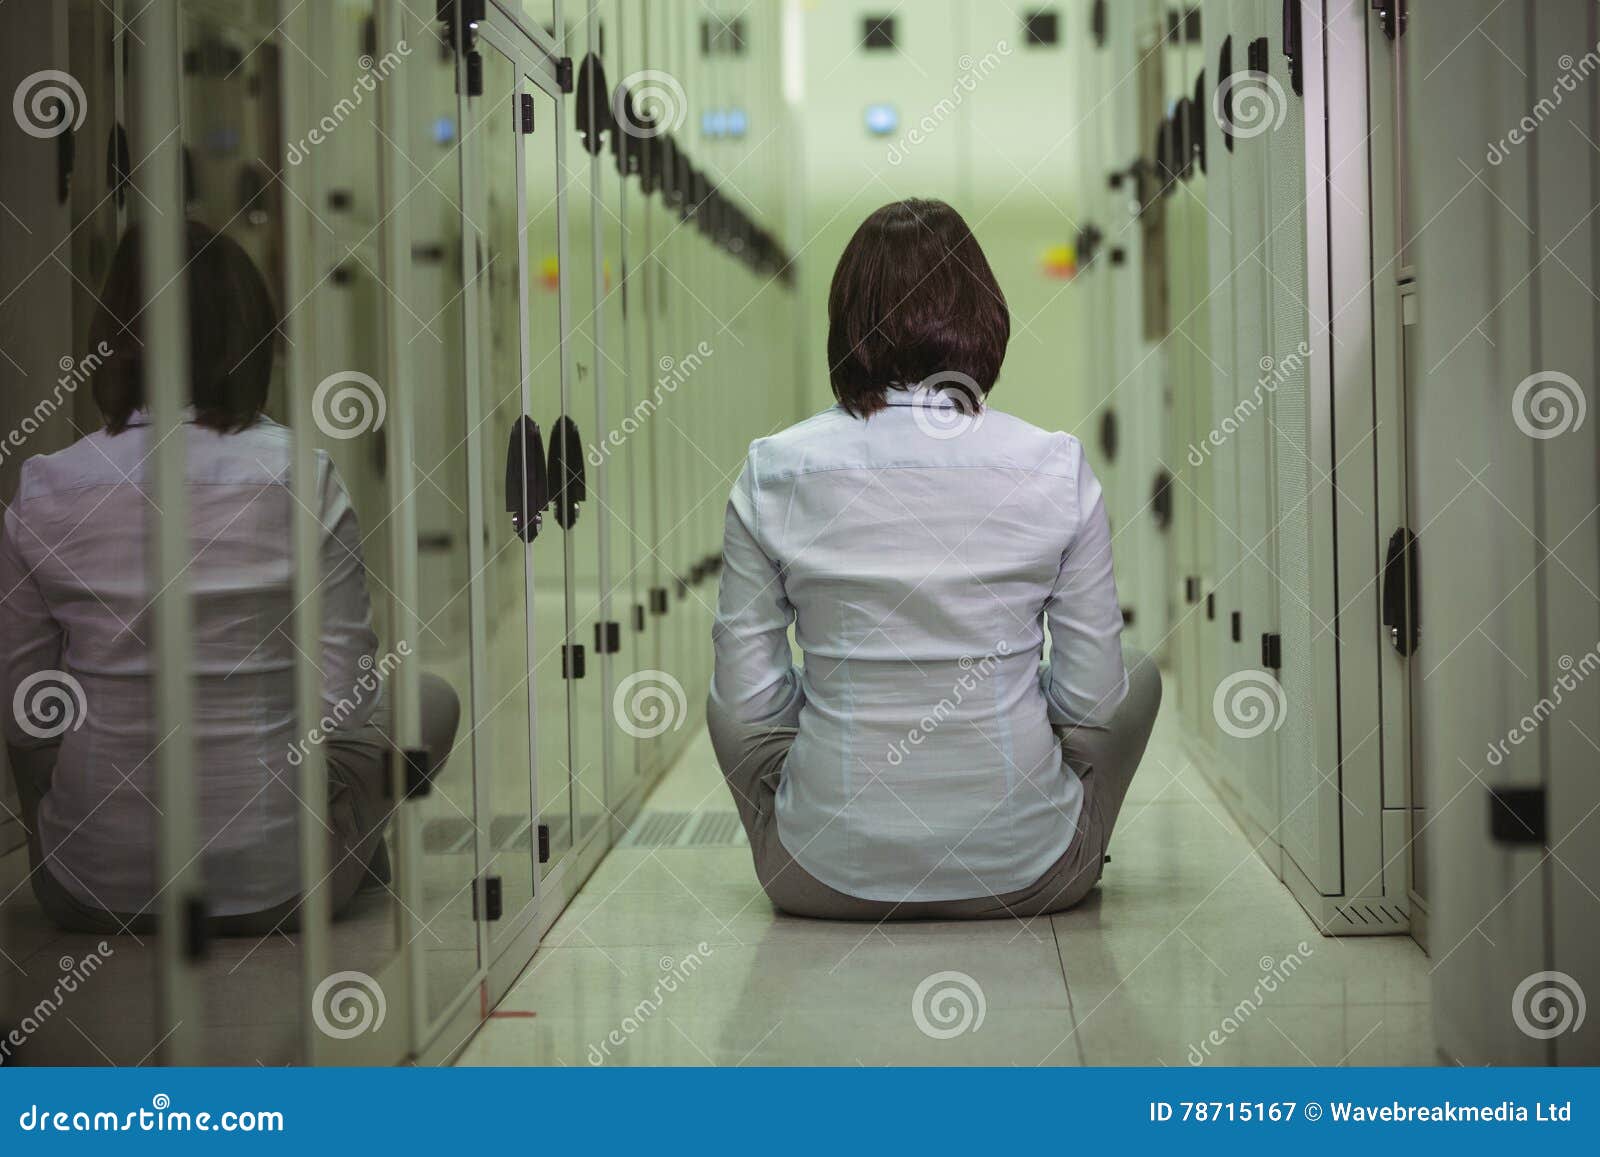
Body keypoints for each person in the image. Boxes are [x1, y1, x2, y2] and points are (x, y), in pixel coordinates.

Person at [707, 198, 1161, 920]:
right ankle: (1043, 832)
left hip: (819, 880)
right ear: (984, 316)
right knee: (1133, 673)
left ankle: (830, 826)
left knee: (733, 697)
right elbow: (1091, 700)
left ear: (845, 323)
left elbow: (747, 702)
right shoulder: (1054, 466)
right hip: (1029, 875)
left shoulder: (775, 469)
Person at [0, 222, 458, 936]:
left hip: (87, 894)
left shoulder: (44, 487)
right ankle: (352, 852)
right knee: (427, 700)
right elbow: (348, 698)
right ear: (253, 341)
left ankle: (88, 851)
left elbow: (24, 712)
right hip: (282, 887)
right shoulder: (298, 473)